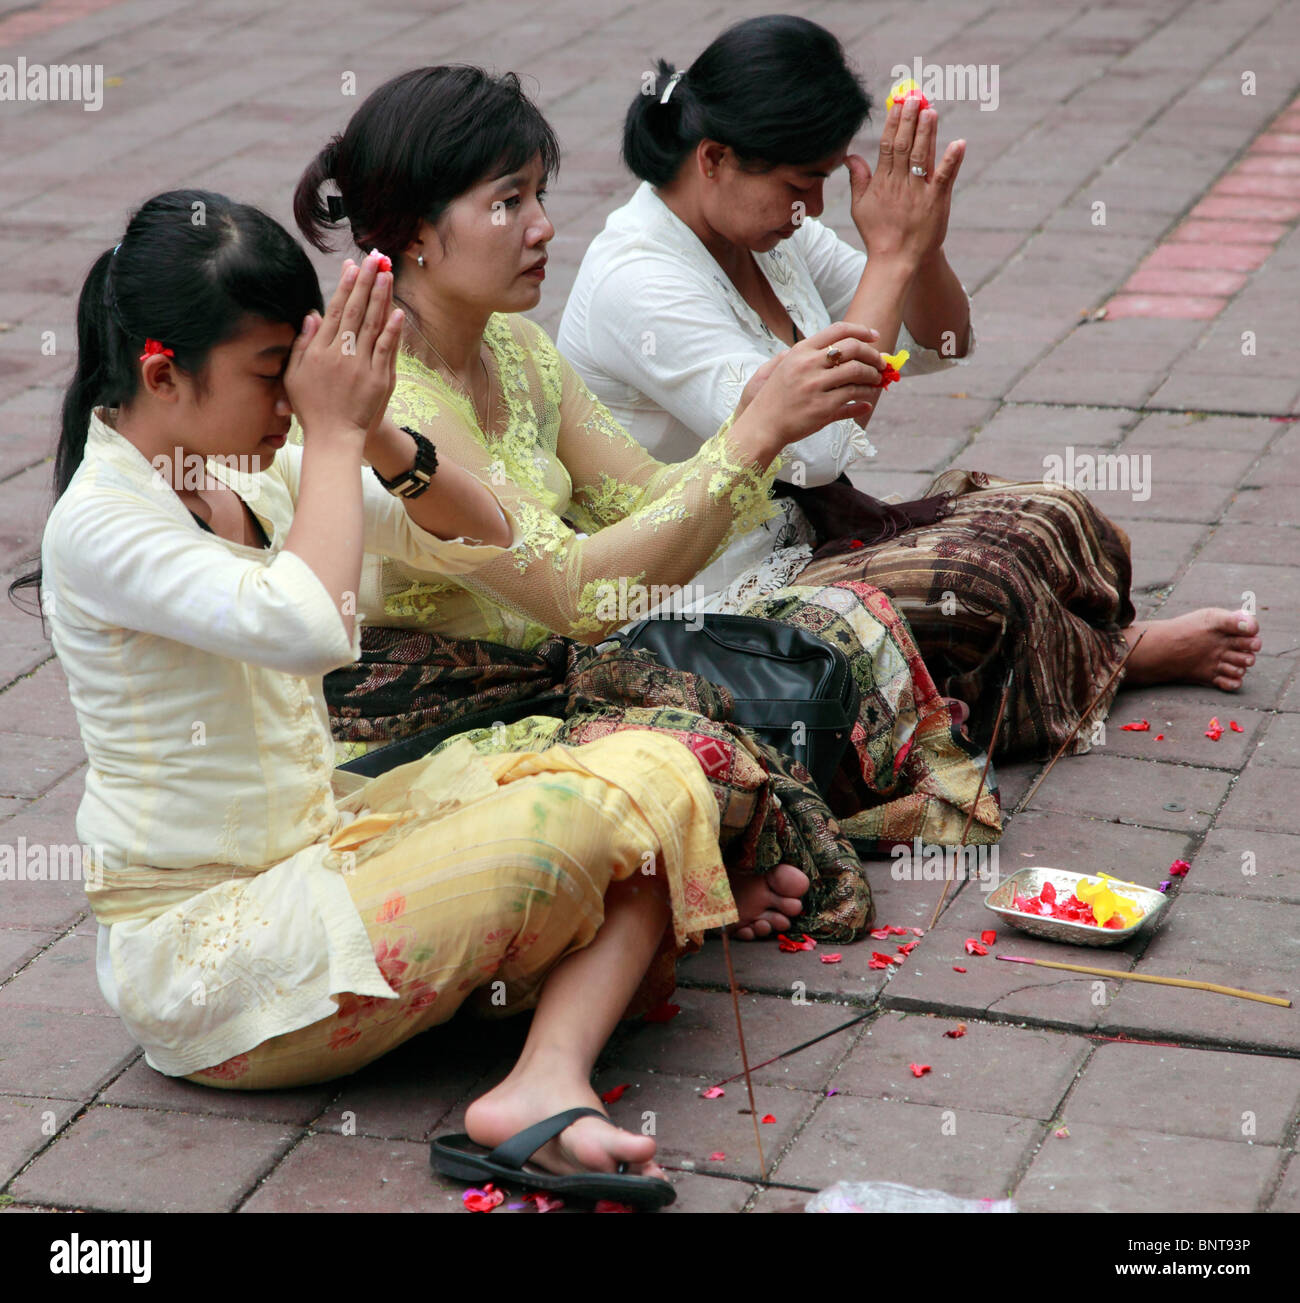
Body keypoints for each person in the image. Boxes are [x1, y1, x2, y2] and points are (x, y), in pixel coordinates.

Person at [8, 190, 749, 1206]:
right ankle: (602, 953)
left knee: (665, 756)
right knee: (569, 827)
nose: (291, 407)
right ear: (161, 372)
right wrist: (330, 435)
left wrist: (386, 436)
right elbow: (308, 619)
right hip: (212, 960)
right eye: (274, 377)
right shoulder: (99, 523)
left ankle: (542, 1079)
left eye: (298, 374)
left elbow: (489, 527)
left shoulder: (255, 475)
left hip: (331, 851)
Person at [292, 65, 1002, 921]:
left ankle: (713, 857)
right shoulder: (392, 403)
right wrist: (753, 435)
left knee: (847, 622)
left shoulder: (517, 350)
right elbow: (575, 594)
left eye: (540, 196)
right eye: (507, 202)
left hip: (555, 682)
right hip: (430, 729)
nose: (544, 227)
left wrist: (760, 430)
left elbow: (649, 497)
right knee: (705, 758)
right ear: (414, 234)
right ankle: (696, 878)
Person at [558, 14, 1263, 761]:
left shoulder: (767, 229)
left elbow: (942, 344)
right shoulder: (638, 281)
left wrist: (921, 250)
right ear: (714, 160)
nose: (818, 209)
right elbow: (818, 453)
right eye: (803, 185)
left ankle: (1093, 649)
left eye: (826, 183)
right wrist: (887, 258)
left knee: (1056, 516)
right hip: (703, 597)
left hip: (804, 535)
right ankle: (1119, 658)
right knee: (983, 586)